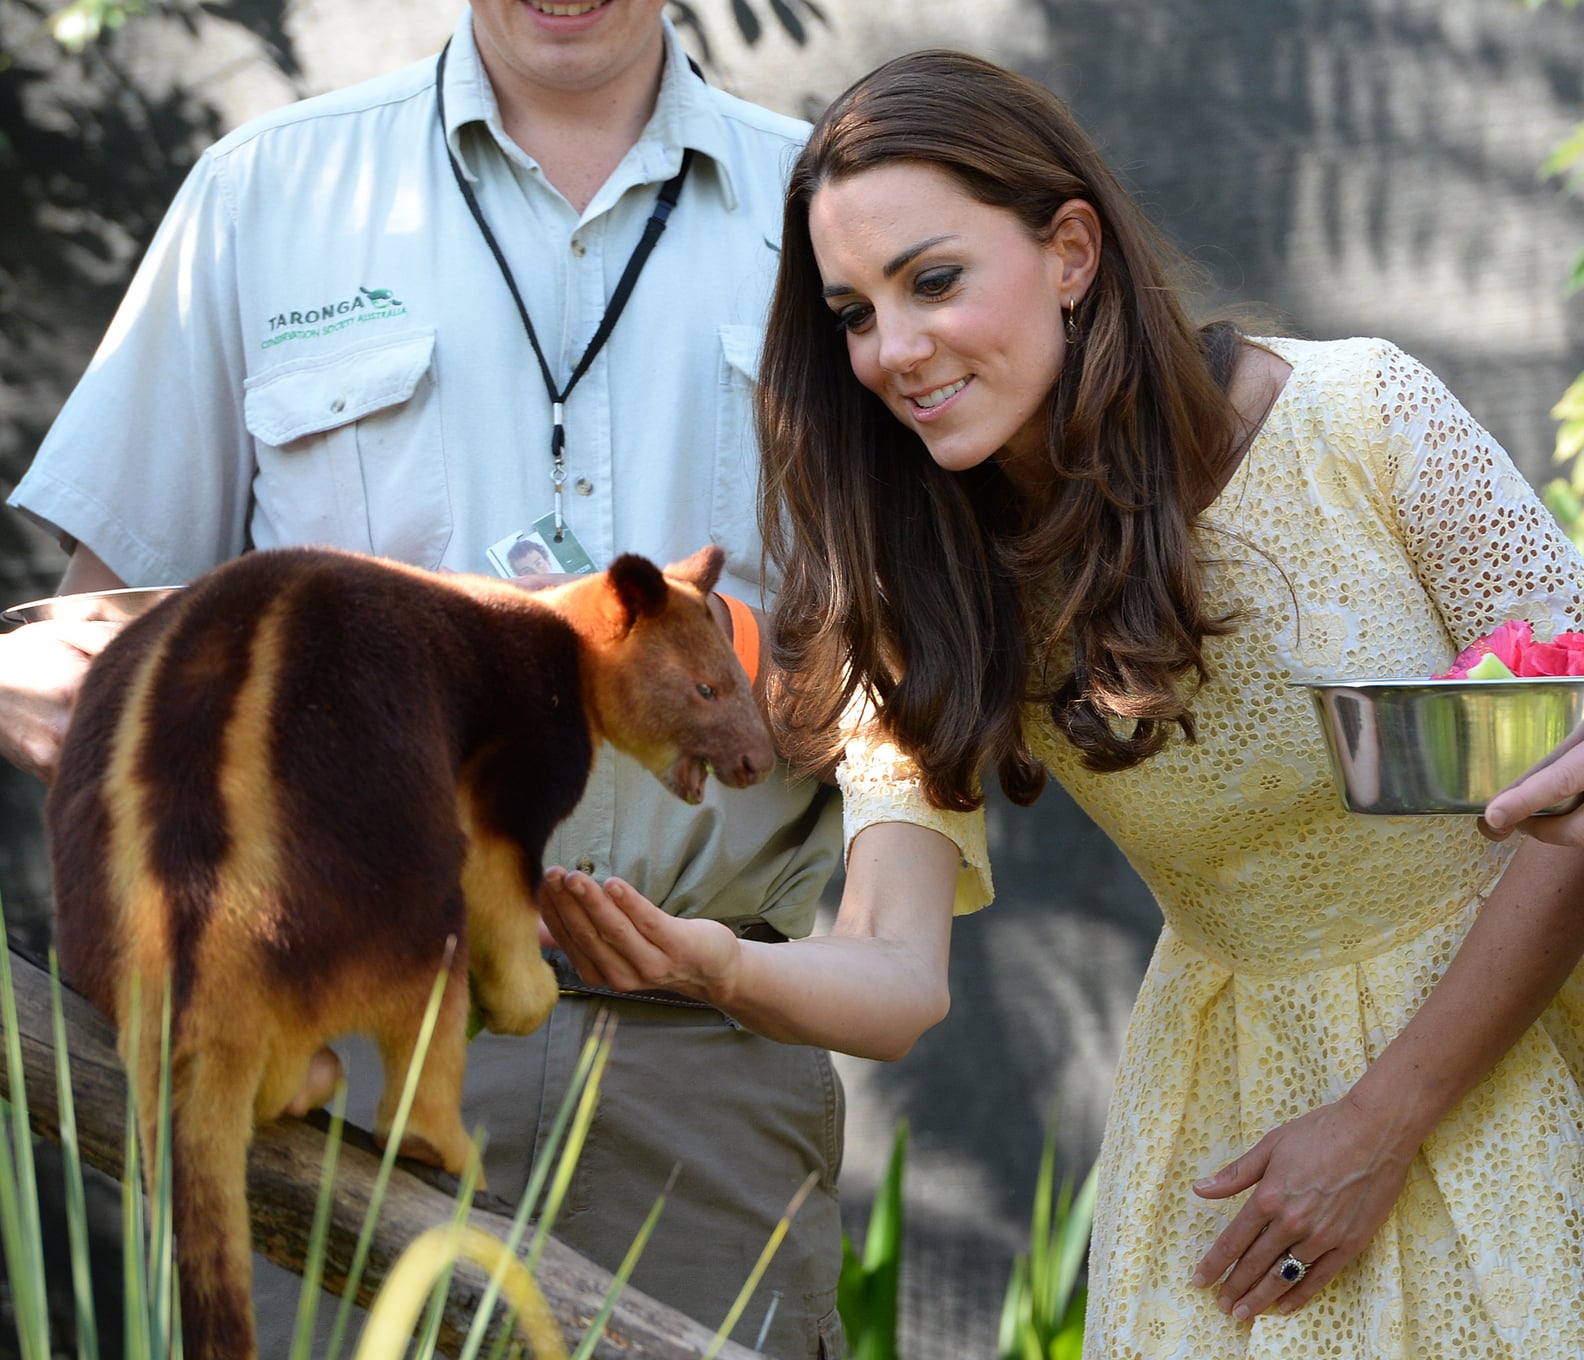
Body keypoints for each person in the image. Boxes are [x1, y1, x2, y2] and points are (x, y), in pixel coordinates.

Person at [538, 48, 1584, 1357]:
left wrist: (1379, 1124)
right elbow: (894, 970)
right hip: (1238, 1110)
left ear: (1072, 251)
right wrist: (719, 964)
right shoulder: (923, 590)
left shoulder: (1361, 417)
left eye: (933, 281)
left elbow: (1580, 768)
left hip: (1518, 1042)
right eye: (854, 313)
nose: (895, 352)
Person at [1, 3, 848, 1355]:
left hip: (704, 1055)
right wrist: (31, 668)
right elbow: (101, 627)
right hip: (325, 1062)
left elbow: (945, 657)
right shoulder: (265, 193)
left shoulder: (840, 215)